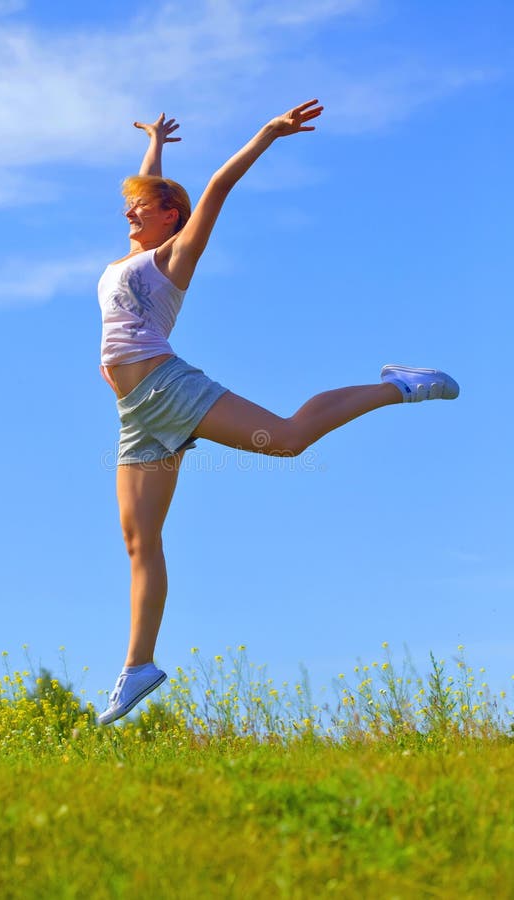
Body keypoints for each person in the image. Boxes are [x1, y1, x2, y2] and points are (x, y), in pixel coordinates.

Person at [96, 102, 459, 725]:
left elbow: (216, 187)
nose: (128, 211)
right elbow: (152, 188)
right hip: (137, 414)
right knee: (140, 541)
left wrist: (266, 132)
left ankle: (399, 387)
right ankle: (138, 667)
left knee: (288, 439)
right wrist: (155, 145)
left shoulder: (173, 259)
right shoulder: (126, 257)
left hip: (169, 389)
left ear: (171, 218)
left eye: (142, 205)